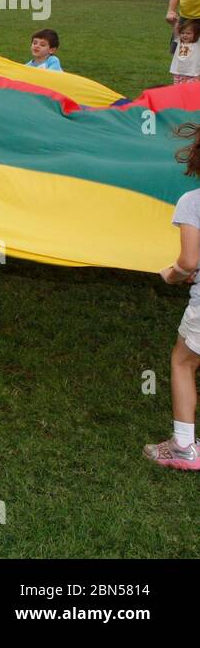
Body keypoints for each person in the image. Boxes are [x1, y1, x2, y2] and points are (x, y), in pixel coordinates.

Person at [147, 122, 200, 469]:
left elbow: (189, 260)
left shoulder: (192, 202)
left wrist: (173, 274)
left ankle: (183, 446)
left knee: (183, 362)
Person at [171, 19, 200, 84]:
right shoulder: (179, 41)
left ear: (196, 34)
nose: (185, 35)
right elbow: (176, 30)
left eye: (188, 33)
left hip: (192, 74)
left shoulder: (197, 43)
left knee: (191, 92)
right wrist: (176, 22)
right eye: (182, 33)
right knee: (178, 91)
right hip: (178, 73)